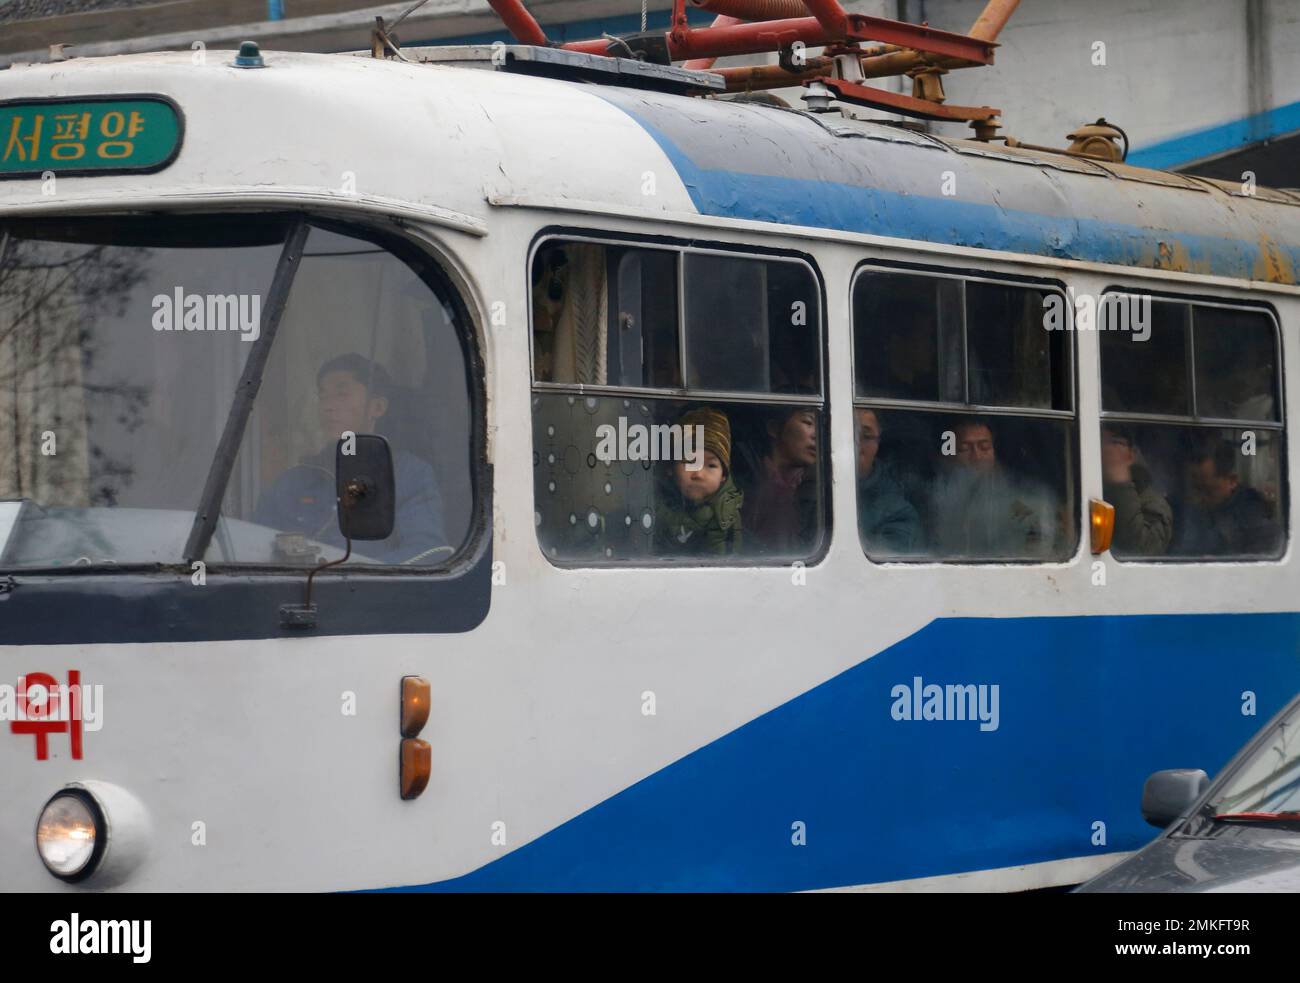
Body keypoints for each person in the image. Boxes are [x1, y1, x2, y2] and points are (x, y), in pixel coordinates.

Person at [253, 353, 446, 564]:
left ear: (377, 407)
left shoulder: (409, 475)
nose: (328, 406)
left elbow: (426, 553)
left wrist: (352, 575)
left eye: (342, 394)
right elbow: (254, 544)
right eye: (323, 396)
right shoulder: (295, 481)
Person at [928, 418, 1055, 558]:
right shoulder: (933, 492)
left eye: (984, 447)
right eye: (964, 449)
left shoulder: (1021, 493)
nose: (976, 456)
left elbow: (1039, 537)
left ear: (994, 450)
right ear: (949, 454)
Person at [654, 407, 744, 556]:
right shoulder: (651, 506)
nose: (699, 474)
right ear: (670, 468)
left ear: (723, 476)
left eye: (711, 465)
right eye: (690, 462)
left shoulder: (727, 518)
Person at [1171, 438, 1280, 557]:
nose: (1198, 499)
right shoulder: (1189, 513)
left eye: (1208, 491)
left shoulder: (1254, 523)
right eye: (1194, 489)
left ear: (1232, 481)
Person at [740, 404, 819, 554]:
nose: (816, 434)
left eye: (819, 425)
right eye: (808, 423)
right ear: (774, 429)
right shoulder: (745, 481)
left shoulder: (818, 487)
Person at [856, 408, 921, 555]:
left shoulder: (897, 513)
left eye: (865, 436)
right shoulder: (802, 482)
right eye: (846, 433)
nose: (854, 443)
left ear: (878, 444)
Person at [1101, 424, 1172, 555]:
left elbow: (1141, 550)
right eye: (1101, 442)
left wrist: (1120, 483)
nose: (1106, 450)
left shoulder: (1151, 502)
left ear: (1131, 455)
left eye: (1115, 442)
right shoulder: (1076, 489)